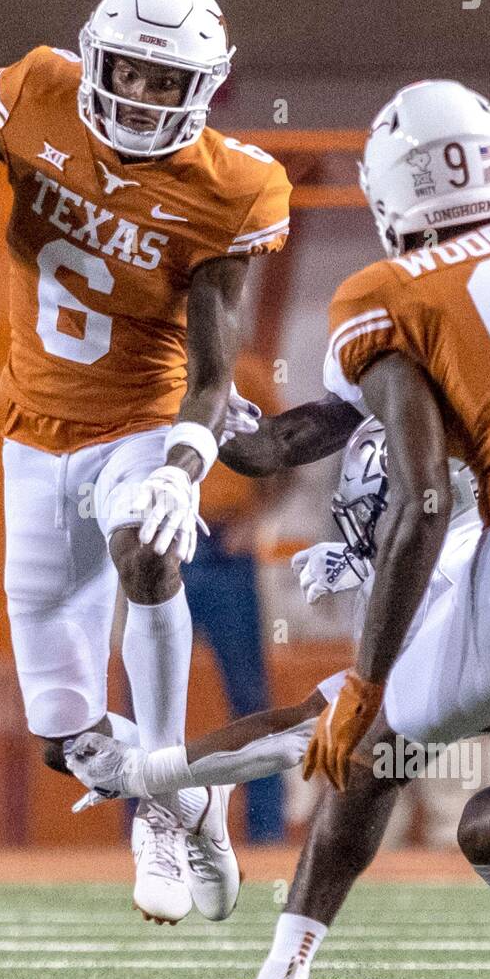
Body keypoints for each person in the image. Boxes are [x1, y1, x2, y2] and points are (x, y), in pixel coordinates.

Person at [68, 109, 490, 979]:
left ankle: (274, 955)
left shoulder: (422, 295)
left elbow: (414, 519)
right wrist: (222, 426)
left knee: (396, 723)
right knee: (484, 765)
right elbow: (317, 438)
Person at [0, 0, 291, 924]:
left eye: (169, 81)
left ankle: (164, 801)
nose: (144, 95)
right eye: (130, 70)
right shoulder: (38, 87)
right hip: (34, 441)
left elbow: (214, 374)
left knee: (147, 549)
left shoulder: (233, 187)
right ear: (94, 57)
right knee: (65, 739)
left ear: (203, 90)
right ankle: (189, 788)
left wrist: (182, 466)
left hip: (142, 420)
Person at [183, 352, 290, 840]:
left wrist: (255, 518)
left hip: (224, 541)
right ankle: (152, 828)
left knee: (249, 695)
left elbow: (284, 447)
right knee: (149, 695)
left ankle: (265, 832)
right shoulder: (151, 368)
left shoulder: (244, 372)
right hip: (168, 541)